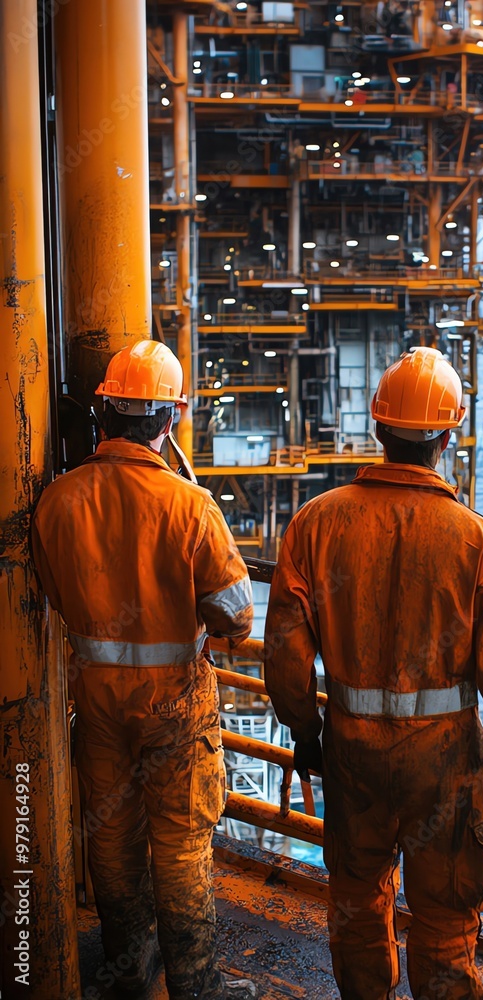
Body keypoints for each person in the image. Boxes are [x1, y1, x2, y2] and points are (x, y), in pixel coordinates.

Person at [263, 346, 483, 1000]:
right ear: (448, 436)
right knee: (445, 922)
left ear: (379, 429)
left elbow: (283, 655)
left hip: (354, 750)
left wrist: (306, 732)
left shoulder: (316, 524)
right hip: (443, 762)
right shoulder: (476, 540)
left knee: (359, 906)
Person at [31, 341, 257, 1000]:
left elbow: (51, 592)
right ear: (171, 420)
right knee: (182, 846)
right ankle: (195, 984)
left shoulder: (58, 501)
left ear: (103, 414)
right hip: (175, 707)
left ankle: (126, 963)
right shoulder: (189, 507)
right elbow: (234, 616)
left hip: (96, 701)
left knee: (111, 835)